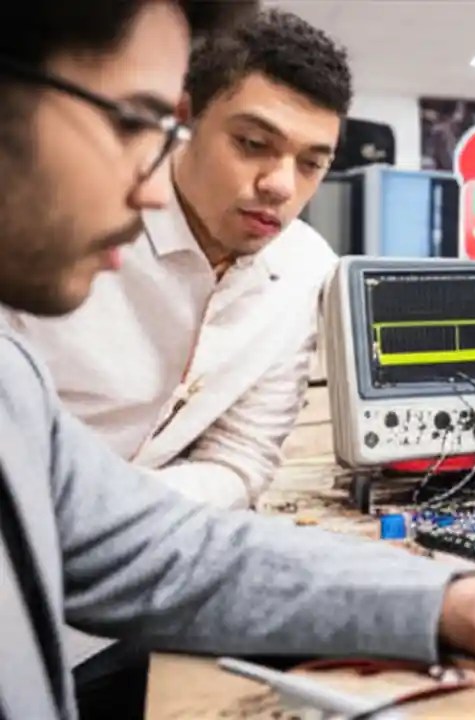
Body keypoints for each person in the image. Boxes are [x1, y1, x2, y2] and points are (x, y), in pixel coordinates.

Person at [0, 3, 475, 718]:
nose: (145, 184)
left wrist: (457, 602)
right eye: (134, 122)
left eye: (313, 161)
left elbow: (163, 541)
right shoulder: (40, 318)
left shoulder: (293, 270)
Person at [4, 9, 346, 512]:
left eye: (311, 164)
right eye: (252, 144)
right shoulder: (67, 224)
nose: (281, 185)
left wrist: (117, 514)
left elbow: (240, 461)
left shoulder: (305, 266)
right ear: (183, 121)